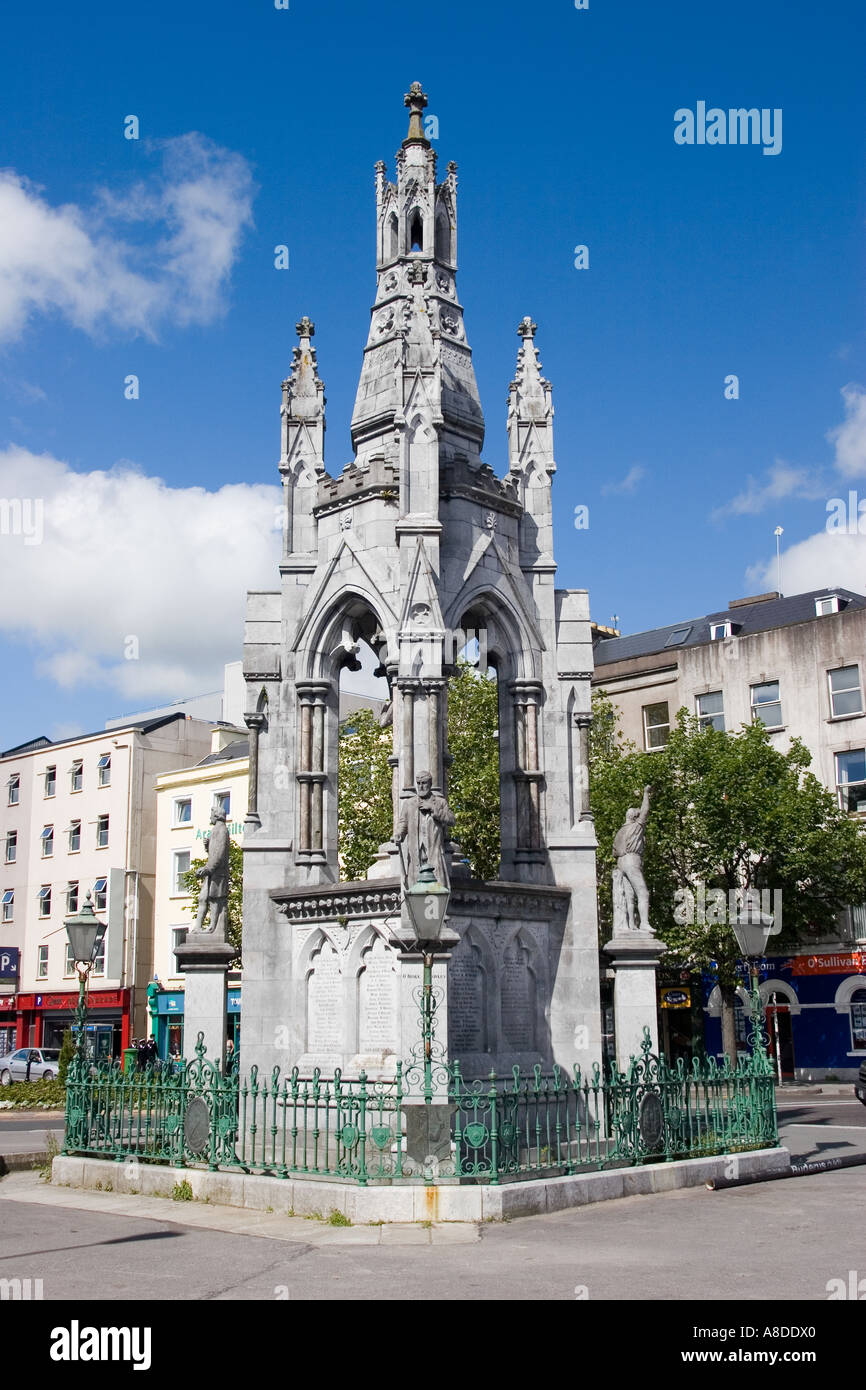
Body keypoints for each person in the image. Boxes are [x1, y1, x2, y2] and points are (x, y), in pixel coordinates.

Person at [395, 771, 455, 888]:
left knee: (438, 884)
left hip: (434, 850)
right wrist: (399, 834)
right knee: (415, 885)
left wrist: (433, 809)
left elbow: (451, 820)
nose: (421, 786)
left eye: (424, 783)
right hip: (416, 852)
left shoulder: (439, 802)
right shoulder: (409, 803)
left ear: (430, 784)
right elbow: (403, 823)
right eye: (418, 783)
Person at [612, 785, 652, 932]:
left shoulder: (620, 831)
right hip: (631, 861)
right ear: (635, 817)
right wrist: (646, 793)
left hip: (620, 863)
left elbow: (614, 852)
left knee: (629, 896)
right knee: (643, 893)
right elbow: (646, 810)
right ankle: (644, 923)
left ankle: (630, 925)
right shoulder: (636, 827)